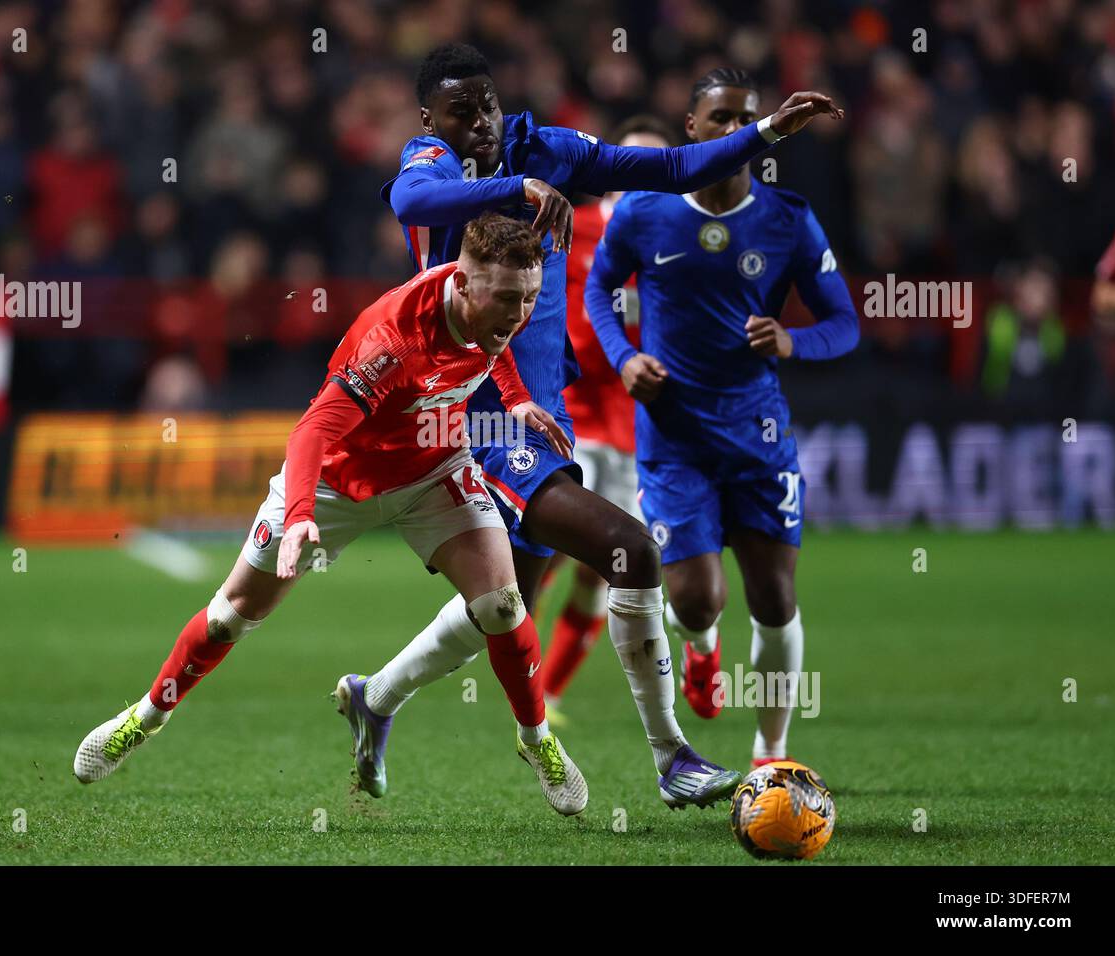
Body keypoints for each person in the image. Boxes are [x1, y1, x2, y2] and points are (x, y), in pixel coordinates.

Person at [355, 44, 843, 810]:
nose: (475, 122)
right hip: (473, 415)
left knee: (503, 602)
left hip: (541, 413)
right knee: (631, 549)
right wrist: (520, 186)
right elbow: (412, 204)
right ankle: (672, 755)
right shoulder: (433, 160)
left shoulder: (547, 148)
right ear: (429, 120)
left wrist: (767, 134)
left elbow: (673, 170)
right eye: (458, 112)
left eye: (484, 105)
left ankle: (375, 696)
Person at [74, 213, 590, 816]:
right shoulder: (394, 341)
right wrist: (297, 515)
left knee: (501, 604)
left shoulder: (487, 305)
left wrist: (518, 399)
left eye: (529, 298)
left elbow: (490, 342)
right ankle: (146, 716)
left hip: (434, 470)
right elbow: (314, 428)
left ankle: (536, 739)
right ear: (466, 285)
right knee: (229, 619)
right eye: (507, 298)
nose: (519, 312)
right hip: (336, 484)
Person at [586, 68, 859, 767]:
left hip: (758, 435)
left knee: (773, 598)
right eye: (720, 119)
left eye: (746, 118)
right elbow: (598, 287)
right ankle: (702, 651)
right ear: (692, 130)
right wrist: (623, 356)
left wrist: (794, 339)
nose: (734, 130)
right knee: (698, 599)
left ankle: (772, 754)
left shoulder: (787, 218)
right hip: (673, 435)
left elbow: (845, 324)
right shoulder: (645, 212)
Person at [535, 115, 674, 726]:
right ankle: (512, 668)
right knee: (547, 548)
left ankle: (550, 695)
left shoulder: (673, 245)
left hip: (636, 430)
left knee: (608, 572)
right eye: (634, 163)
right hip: (573, 418)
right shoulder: (573, 227)